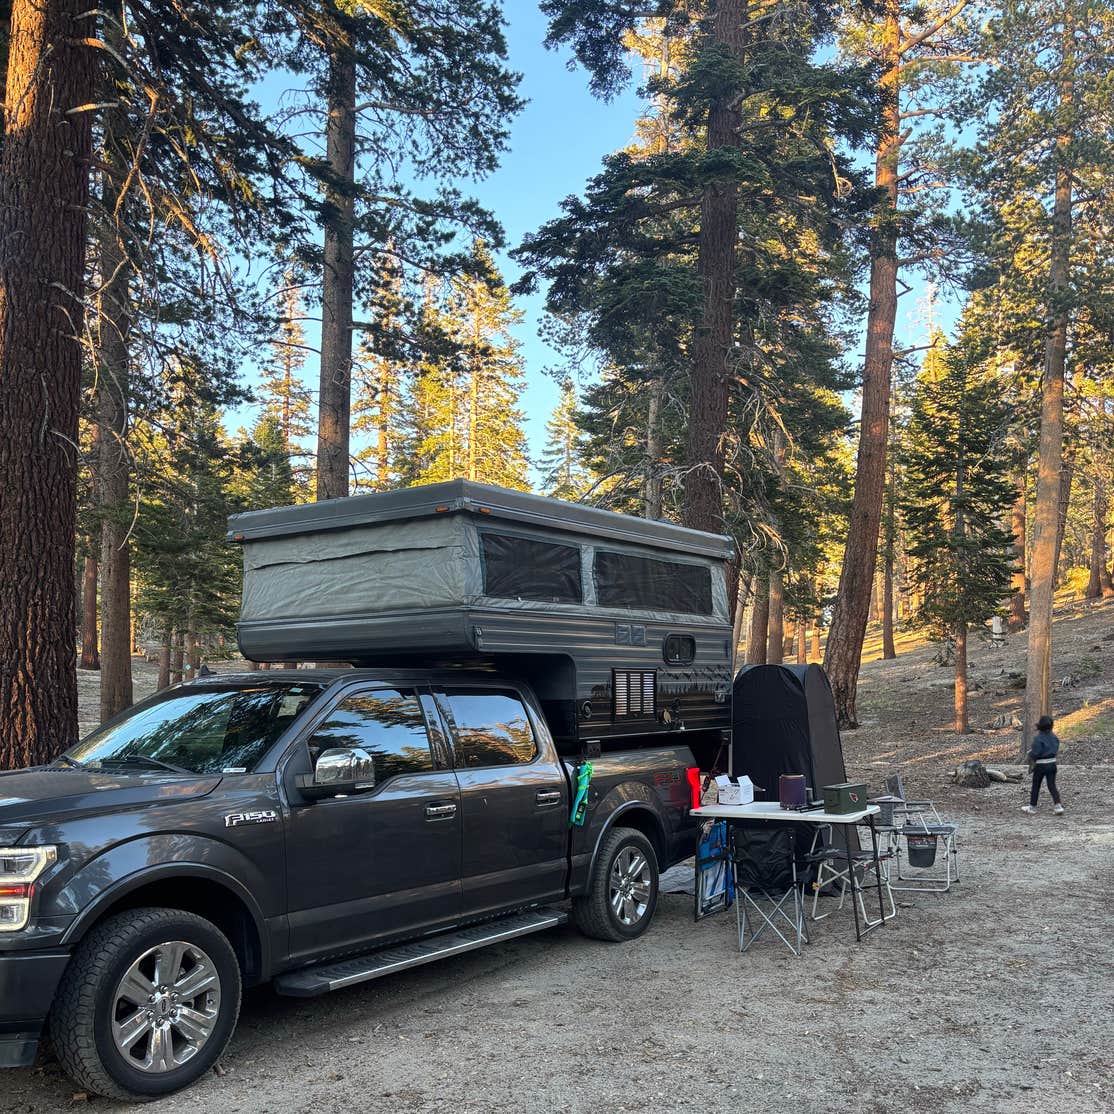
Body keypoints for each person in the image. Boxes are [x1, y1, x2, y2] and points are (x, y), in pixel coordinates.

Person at [1021, 715, 1063, 815]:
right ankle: (1058, 806)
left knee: (1036, 785)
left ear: (1040, 726)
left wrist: (1030, 755)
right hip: (1052, 764)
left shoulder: (1038, 738)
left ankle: (1032, 807)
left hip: (1040, 765)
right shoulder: (1054, 737)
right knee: (1052, 785)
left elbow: (1035, 753)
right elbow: (1056, 749)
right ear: (1051, 726)